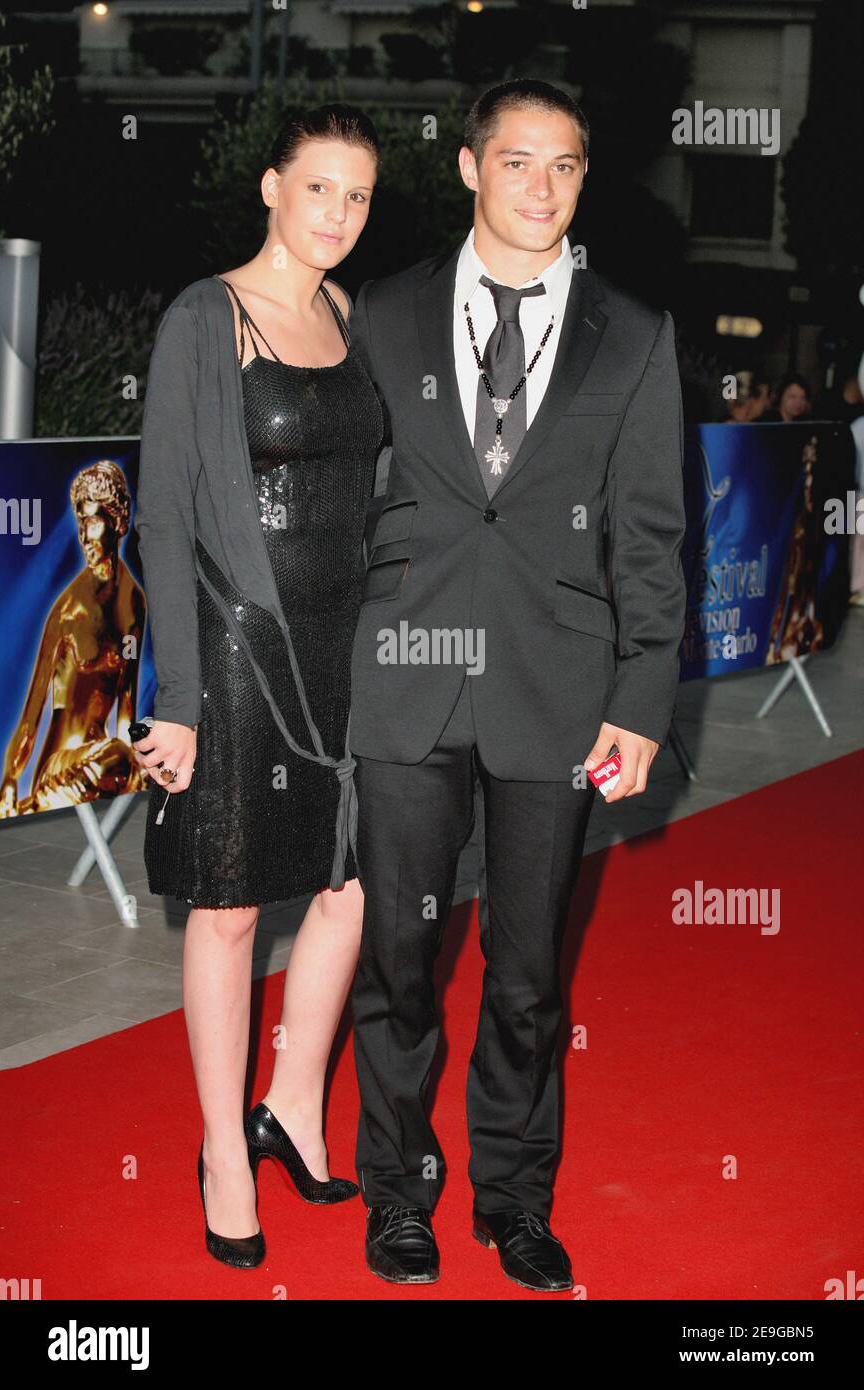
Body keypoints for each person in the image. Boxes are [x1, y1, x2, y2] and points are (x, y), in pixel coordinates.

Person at [347, 79, 687, 1290]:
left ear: (582, 180)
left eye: (563, 167)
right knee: (400, 956)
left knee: (530, 970)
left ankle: (514, 1196)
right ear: (467, 170)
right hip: (404, 678)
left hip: (557, 688)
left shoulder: (635, 335)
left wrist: (643, 698)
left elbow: (649, 533)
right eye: (516, 163)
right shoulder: (380, 314)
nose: (540, 189)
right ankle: (395, 1192)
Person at [134, 104, 384, 1268]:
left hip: (346, 645)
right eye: (318, 188)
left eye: (358, 195)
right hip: (240, 646)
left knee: (348, 887)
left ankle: (289, 1103)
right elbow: (168, 509)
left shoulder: (346, 313)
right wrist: (176, 699)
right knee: (229, 903)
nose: (337, 214)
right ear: (272, 188)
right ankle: (221, 1152)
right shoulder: (207, 315)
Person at [0, 460, 145, 816]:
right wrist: (9, 783)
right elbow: (31, 716)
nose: (84, 534)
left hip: (107, 759)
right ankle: (39, 798)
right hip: (60, 766)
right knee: (122, 757)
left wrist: (136, 764)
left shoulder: (133, 601)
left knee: (134, 755)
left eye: (93, 520)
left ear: (118, 521)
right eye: (81, 521)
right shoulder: (67, 613)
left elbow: (127, 707)